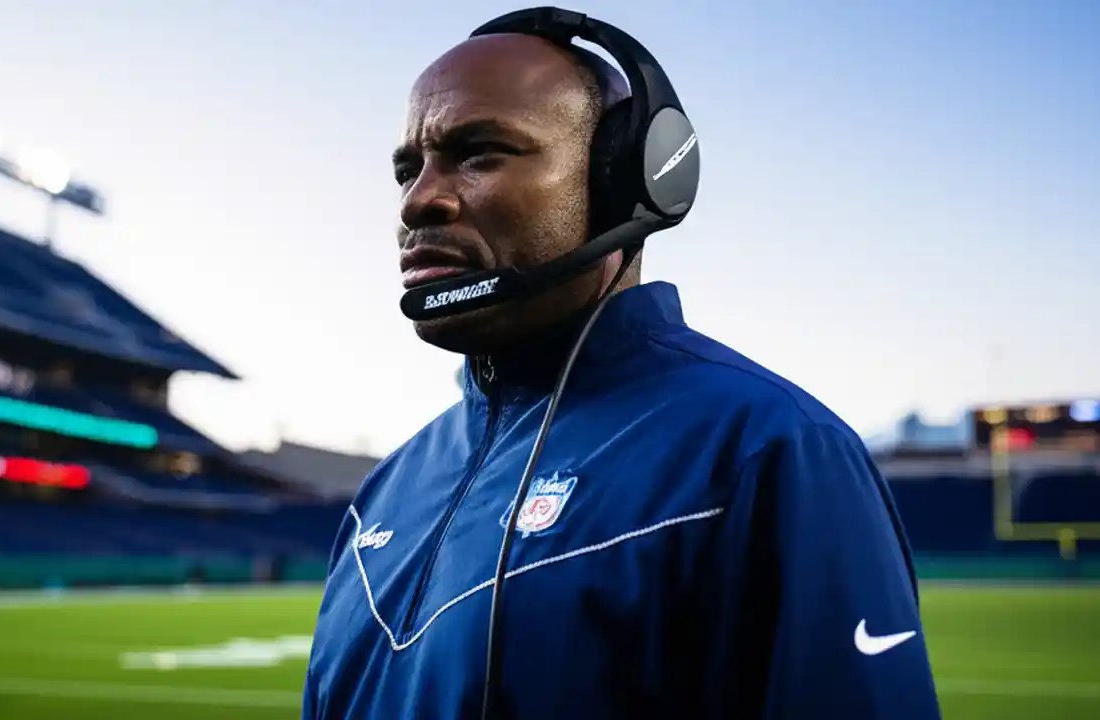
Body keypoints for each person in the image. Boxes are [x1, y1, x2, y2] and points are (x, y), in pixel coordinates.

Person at [302, 10, 941, 720]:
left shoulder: (766, 450)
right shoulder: (383, 496)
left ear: (620, 180)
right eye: (406, 169)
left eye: (480, 154)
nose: (420, 200)